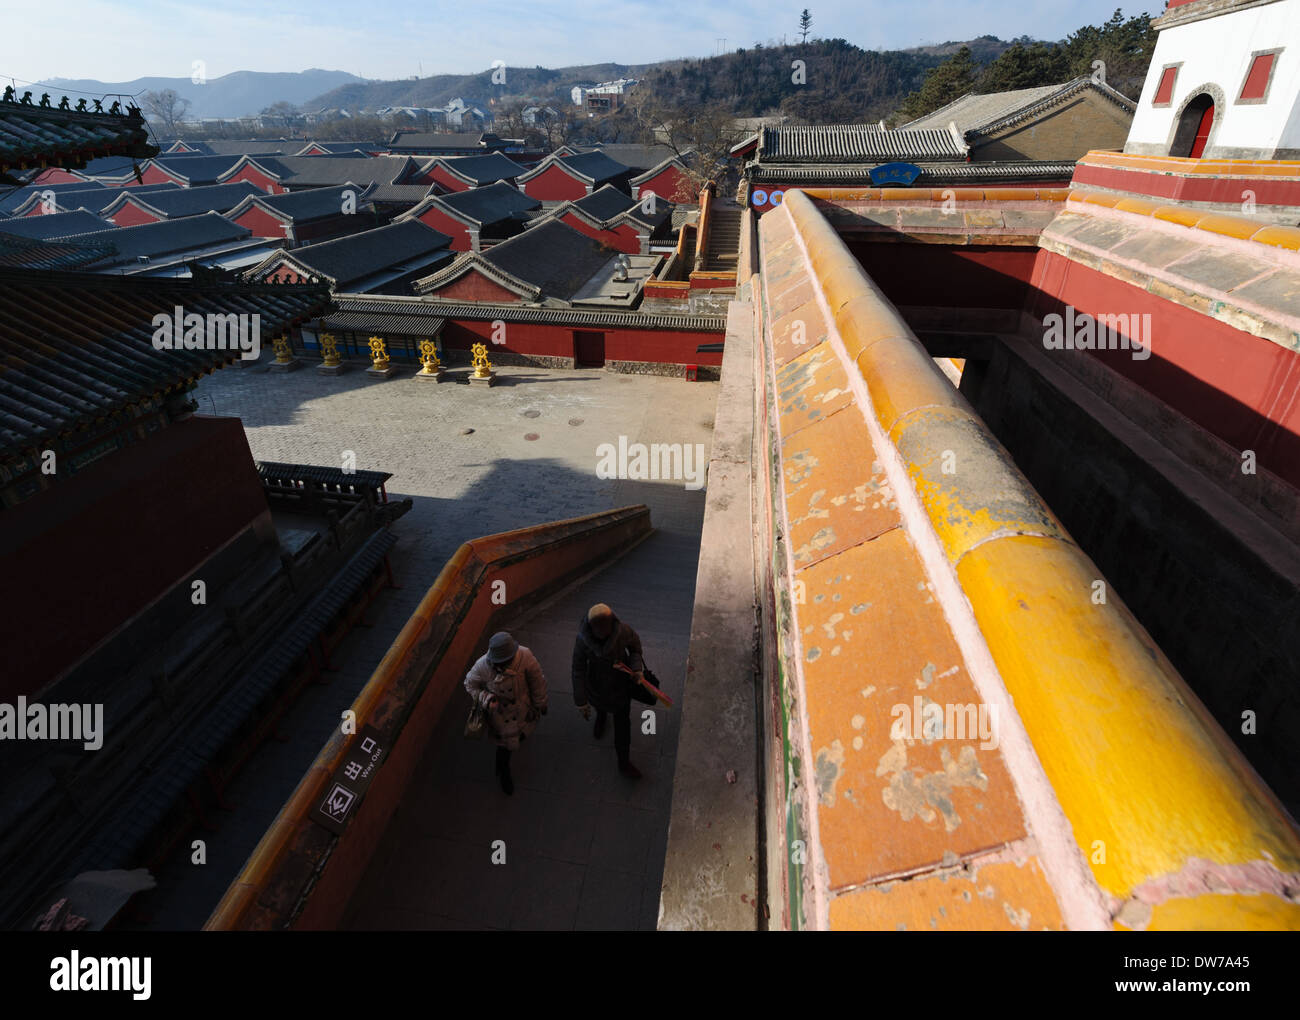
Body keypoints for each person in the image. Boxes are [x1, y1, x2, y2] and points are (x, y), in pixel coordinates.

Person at [464, 631, 547, 795]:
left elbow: (537, 681)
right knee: (504, 748)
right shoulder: (482, 666)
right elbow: (470, 684)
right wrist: (486, 698)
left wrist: (540, 703)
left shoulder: (525, 656)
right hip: (500, 716)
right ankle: (504, 772)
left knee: (518, 737)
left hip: (523, 709)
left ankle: (502, 768)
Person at [572, 603, 648, 779]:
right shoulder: (583, 640)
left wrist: (636, 669)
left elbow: (635, 648)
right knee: (600, 707)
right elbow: (578, 669)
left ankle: (624, 763)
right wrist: (581, 701)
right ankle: (601, 717)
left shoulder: (623, 631)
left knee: (623, 727)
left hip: (621, 686)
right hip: (596, 686)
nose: (602, 636)